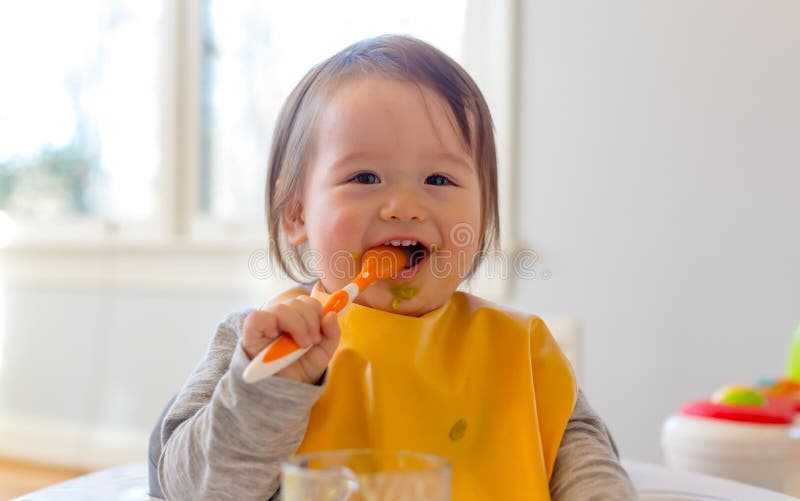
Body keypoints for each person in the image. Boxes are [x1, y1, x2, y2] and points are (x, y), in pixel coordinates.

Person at [148, 34, 636, 500]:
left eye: (439, 178)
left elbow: (594, 477)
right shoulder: (264, 346)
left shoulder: (522, 354)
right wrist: (267, 393)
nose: (404, 206)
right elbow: (195, 489)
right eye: (365, 177)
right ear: (297, 214)